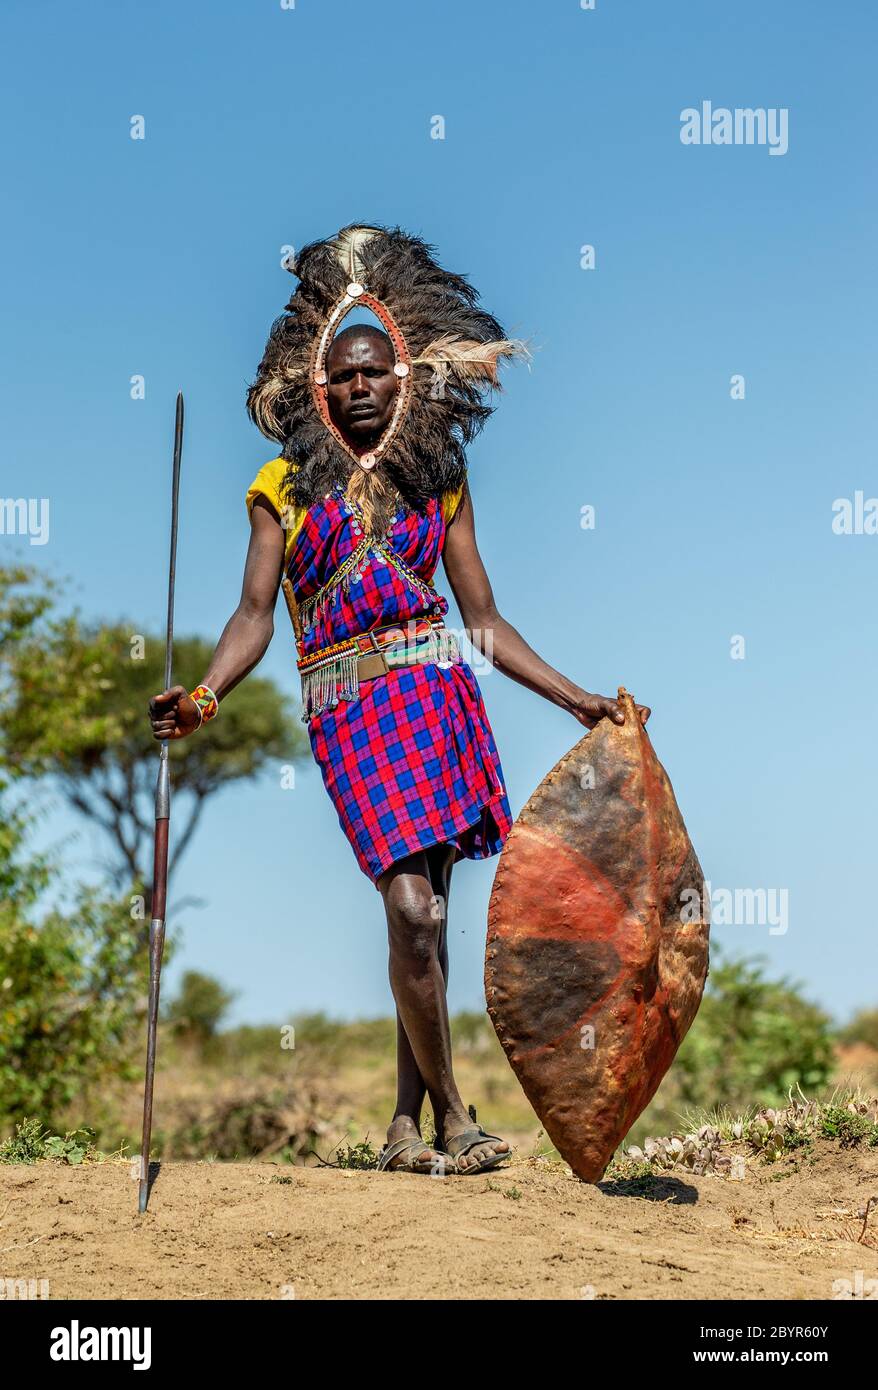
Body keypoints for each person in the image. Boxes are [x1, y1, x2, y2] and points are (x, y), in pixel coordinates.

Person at [147, 225, 649, 1176]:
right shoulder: (281, 488)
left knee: (424, 923)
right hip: (350, 716)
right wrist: (205, 699)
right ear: (317, 384)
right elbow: (254, 616)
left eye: (378, 370)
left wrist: (576, 699)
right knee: (413, 915)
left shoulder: (439, 479)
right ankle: (457, 1116)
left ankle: (404, 1126)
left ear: (406, 376)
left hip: (439, 701)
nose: (363, 385)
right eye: (346, 374)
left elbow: (487, 621)